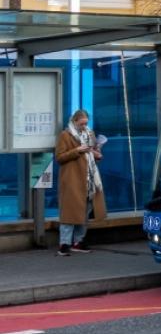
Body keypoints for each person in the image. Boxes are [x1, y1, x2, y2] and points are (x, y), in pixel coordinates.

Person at [54, 109, 107, 256]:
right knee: (69, 211)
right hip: (72, 179)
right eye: (81, 124)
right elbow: (59, 157)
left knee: (85, 211)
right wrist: (77, 150)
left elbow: (92, 153)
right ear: (74, 121)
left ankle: (78, 241)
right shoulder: (66, 135)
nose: (84, 126)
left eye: (86, 123)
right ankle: (64, 243)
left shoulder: (90, 134)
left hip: (89, 178)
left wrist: (97, 154)